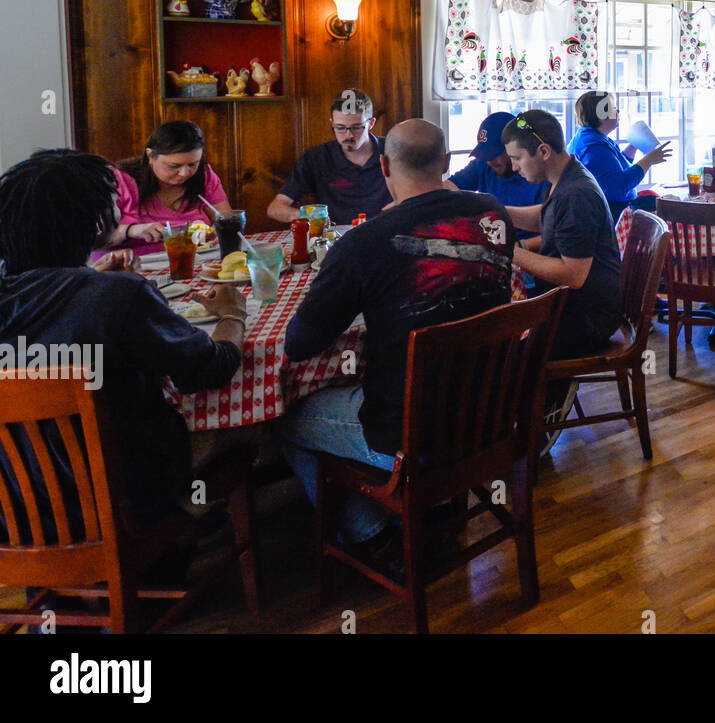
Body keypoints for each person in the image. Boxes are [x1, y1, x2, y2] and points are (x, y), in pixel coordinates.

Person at [279, 120, 514, 549]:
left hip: (410, 437)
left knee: (286, 418)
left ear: (384, 166)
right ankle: (432, 509)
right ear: (446, 163)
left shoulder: (362, 243)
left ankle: (369, 534)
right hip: (492, 413)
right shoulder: (492, 213)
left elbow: (299, 344)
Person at [0, 150, 243, 535]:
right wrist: (233, 315)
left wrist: (86, 277)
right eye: (115, 200)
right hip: (118, 504)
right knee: (246, 423)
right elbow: (209, 369)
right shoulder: (117, 296)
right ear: (98, 222)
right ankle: (181, 529)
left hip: (14, 510)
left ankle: (51, 580)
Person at [503, 110, 623, 447]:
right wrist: (496, 210)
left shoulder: (576, 193)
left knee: (511, 346)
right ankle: (531, 409)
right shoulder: (565, 178)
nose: (514, 167)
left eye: (517, 159)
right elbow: (546, 219)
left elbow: (574, 276)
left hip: (588, 315)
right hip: (573, 305)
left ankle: (542, 417)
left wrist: (511, 252)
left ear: (542, 152)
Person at [268, 88, 390, 226]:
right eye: (340, 127)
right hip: (335, 238)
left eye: (356, 127)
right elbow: (275, 208)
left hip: (385, 234)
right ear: (331, 123)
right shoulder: (316, 158)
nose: (348, 135)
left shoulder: (394, 150)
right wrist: (309, 216)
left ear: (371, 123)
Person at [108, 121, 233, 245]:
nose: (184, 173)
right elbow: (95, 239)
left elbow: (227, 222)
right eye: (174, 166)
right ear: (150, 156)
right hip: (130, 261)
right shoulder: (118, 181)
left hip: (193, 259)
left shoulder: (204, 176)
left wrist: (213, 232)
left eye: (192, 164)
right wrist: (130, 230)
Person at [567, 91, 671, 219]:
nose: (618, 111)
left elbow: (615, 168)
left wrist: (634, 145)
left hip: (610, 208)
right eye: (614, 108)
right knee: (670, 212)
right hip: (611, 214)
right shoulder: (594, 147)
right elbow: (619, 187)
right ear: (601, 115)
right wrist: (648, 160)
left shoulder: (591, 137)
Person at [448, 111, 551, 221]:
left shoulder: (539, 174)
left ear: (513, 148)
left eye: (495, 154)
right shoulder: (481, 165)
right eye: (485, 155)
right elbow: (445, 190)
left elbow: (553, 230)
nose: (490, 161)